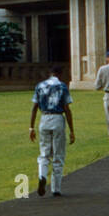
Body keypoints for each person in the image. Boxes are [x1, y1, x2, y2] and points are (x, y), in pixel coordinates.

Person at [29, 64, 75, 197]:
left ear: (50, 73)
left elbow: (34, 107)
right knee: (58, 154)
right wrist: (72, 130)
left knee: (44, 152)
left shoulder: (40, 86)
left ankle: (42, 175)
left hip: (44, 119)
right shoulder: (62, 86)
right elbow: (67, 109)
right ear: (60, 74)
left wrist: (31, 127)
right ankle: (56, 188)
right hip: (57, 119)